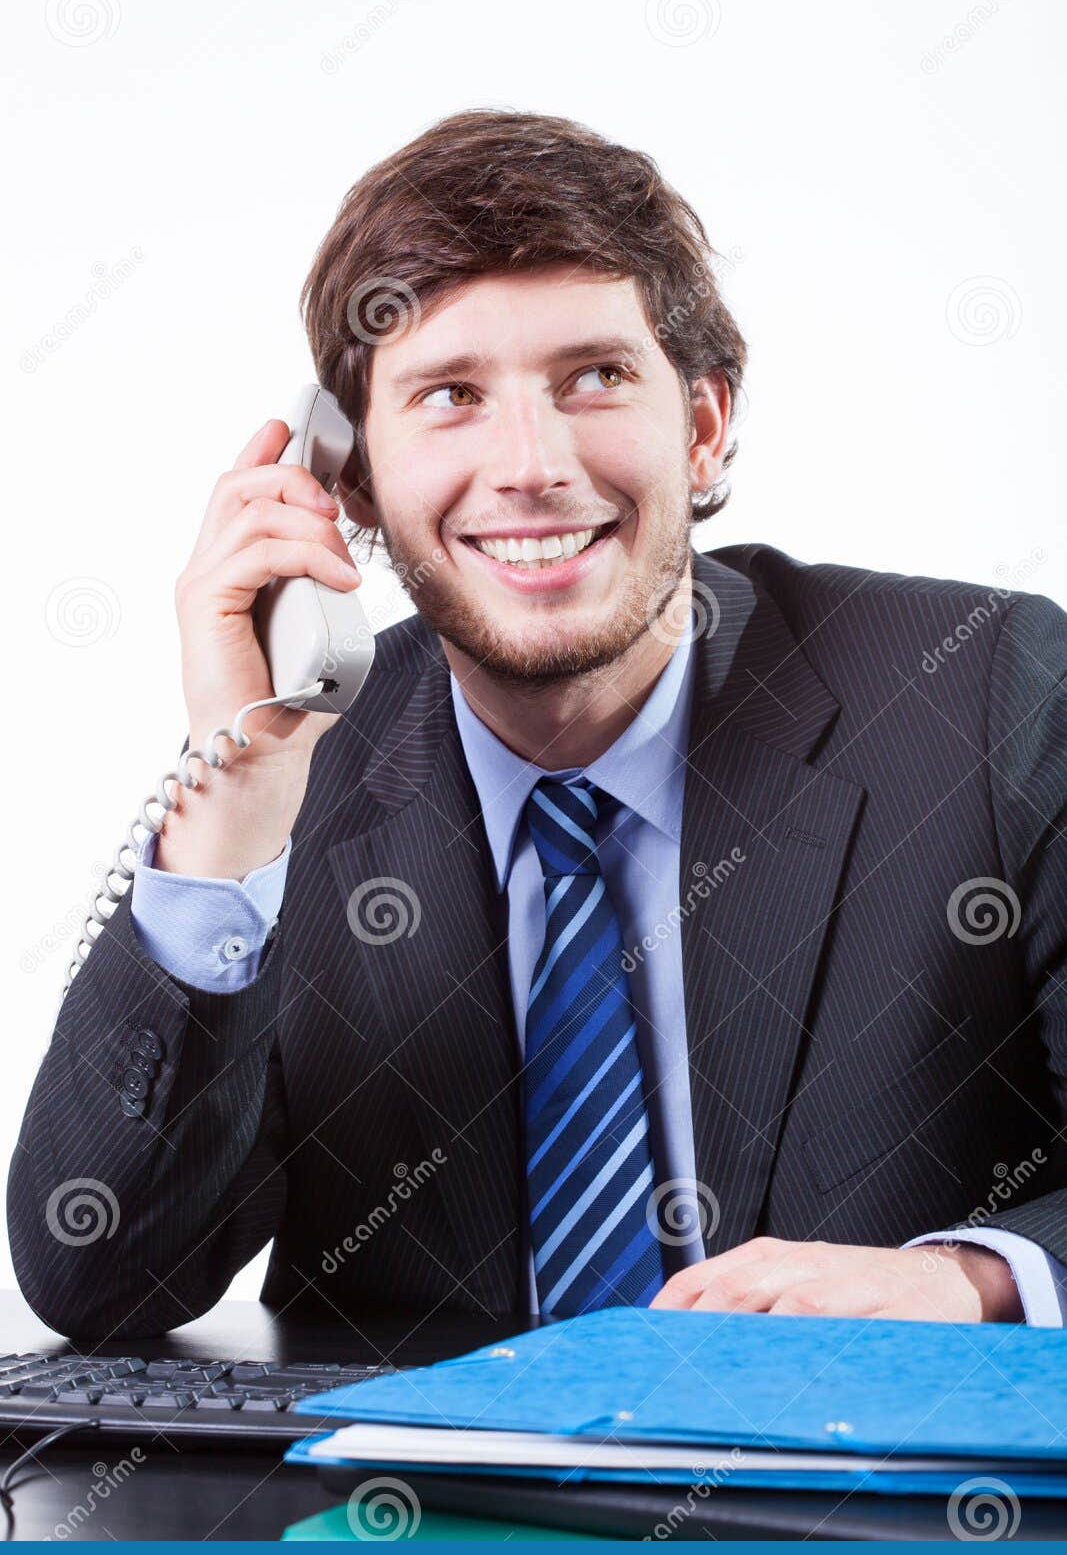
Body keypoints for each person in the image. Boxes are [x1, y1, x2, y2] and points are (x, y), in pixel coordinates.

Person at [9, 109, 1065, 1340]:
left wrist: (969, 1277)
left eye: (596, 377)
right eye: (449, 394)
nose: (530, 463)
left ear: (705, 423)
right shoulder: (294, 782)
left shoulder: (983, 694)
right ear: (346, 478)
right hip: (420, 1528)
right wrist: (235, 802)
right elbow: (102, 1279)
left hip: (841, 1525)